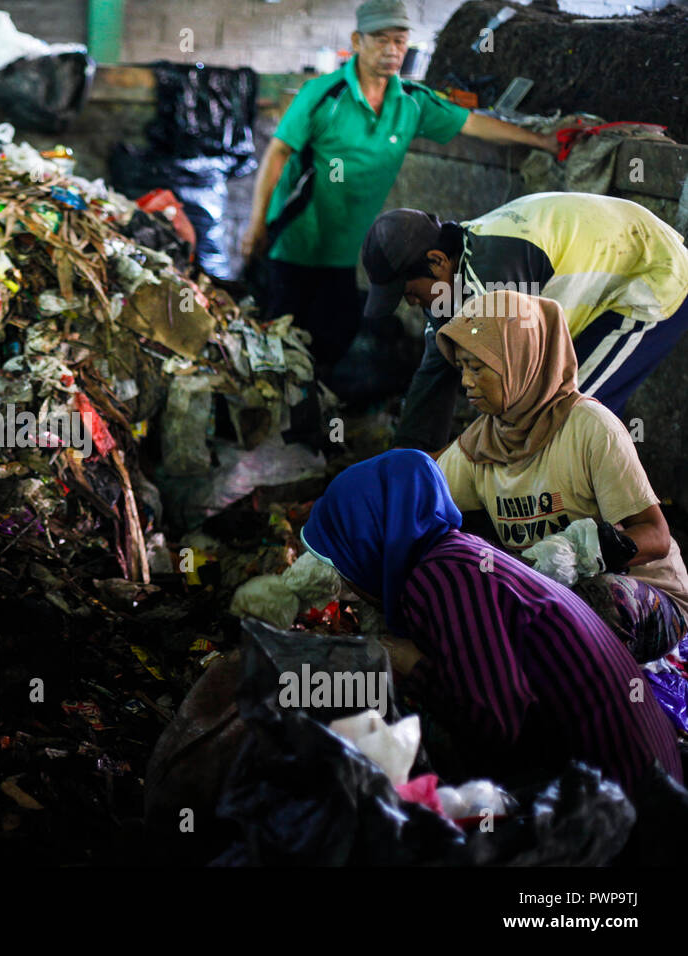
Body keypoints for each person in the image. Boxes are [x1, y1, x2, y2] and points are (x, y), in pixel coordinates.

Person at [301, 447, 682, 795]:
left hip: (627, 807)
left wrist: (412, 665)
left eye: (343, 562)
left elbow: (500, 728)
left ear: (372, 547)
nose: (346, 587)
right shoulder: (456, 556)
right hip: (643, 781)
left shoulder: (439, 579)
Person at [239, 0, 557, 375]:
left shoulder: (410, 102)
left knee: (332, 338)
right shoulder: (324, 95)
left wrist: (542, 141)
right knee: (276, 338)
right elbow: (278, 153)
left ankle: (309, 418)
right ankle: (271, 422)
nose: (392, 50)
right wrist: (256, 224)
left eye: (400, 41)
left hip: (344, 252)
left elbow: (471, 123)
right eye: (381, 40)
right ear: (358, 40)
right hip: (295, 241)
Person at [433, 290, 688, 665]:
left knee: (584, 609)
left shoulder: (590, 428)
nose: (467, 383)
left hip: (647, 595)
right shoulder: (483, 443)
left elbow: (656, 536)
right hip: (549, 599)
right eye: (462, 369)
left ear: (520, 360)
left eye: (478, 367)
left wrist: (585, 551)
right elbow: (419, 487)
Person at [362, 192, 688, 451]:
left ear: (436, 261)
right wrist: (404, 460)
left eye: (410, 293)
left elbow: (515, 394)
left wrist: (447, 463)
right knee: (539, 429)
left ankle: (604, 519)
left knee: (563, 420)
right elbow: (434, 373)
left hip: (651, 274)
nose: (411, 303)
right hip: (610, 270)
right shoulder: (452, 270)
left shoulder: (494, 277)